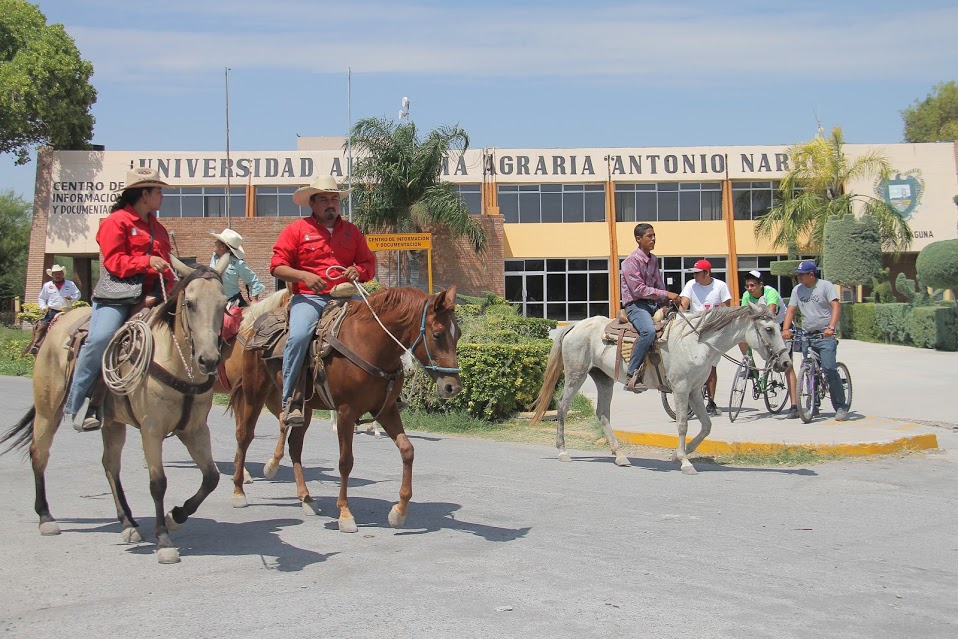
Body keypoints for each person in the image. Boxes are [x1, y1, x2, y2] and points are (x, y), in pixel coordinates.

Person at [63, 168, 174, 432]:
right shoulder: (116, 221)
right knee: (101, 338)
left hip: (154, 294)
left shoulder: (158, 228)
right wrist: (147, 261)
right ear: (144, 194)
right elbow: (113, 262)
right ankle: (80, 402)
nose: (162, 196)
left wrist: (174, 284)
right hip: (118, 295)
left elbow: (166, 265)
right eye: (158, 191)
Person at [270, 175, 376, 426]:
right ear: (312, 203)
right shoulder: (296, 230)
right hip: (310, 299)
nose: (331, 204)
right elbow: (276, 267)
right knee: (298, 336)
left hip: (346, 298)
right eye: (325, 199)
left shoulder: (351, 232)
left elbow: (368, 264)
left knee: (379, 329)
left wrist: (357, 272)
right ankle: (291, 400)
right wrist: (304, 276)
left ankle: (384, 396)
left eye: (335, 199)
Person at [782, 260, 848, 422]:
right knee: (809, 369)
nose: (798, 278)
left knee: (829, 369)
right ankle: (813, 404)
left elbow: (836, 307)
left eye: (801, 275)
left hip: (825, 336)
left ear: (811, 274)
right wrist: (785, 329)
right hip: (807, 335)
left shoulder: (825, 286)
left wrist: (831, 328)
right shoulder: (797, 290)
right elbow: (791, 310)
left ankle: (840, 406)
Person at [619, 223, 680, 393]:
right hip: (636, 305)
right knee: (649, 331)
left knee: (678, 327)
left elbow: (659, 284)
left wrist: (666, 303)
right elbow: (638, 289)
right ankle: (632, 373)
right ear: (638, 239)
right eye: (649, 236)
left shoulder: (653, 260)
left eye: (654, 236)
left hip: (652, 305)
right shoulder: (631, 262)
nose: (653, 239)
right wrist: (667, 294)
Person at [738, 269, 797, 417]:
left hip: (780, 328)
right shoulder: (747, 296)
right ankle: (750, 364)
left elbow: (769, 314)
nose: (750, 289)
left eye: (752, 285)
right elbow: (745, 316)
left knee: (787, 365)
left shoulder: (770, 293)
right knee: (741, 338)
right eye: (747, 286)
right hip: (762, 328)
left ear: (761, 285)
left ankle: (795, 405)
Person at [679, 259, 732, 416]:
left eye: (697, 273)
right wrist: (679, 318)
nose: (694, 276)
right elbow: (684, 304)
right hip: (695, 328)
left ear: (707, 273)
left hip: (714, 331)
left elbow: (726, 309)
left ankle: (711, 401)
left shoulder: (720, 286)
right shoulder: (691, 285)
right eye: (693, 273)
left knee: (711, 366)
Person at [25, 264, 81, 355]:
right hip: (53, 310)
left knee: (79, 325)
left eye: (59, 273)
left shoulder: (70, 284)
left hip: (68, 310)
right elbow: (42, 298)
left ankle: (79, 344)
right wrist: (43, 307)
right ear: (52, 275)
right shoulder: (48, 285)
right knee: (43, 324)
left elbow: (78, 294)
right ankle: (36, 345)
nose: (57, 276)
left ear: (63, 274)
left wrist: (72, 297)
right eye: (55, 274)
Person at [210, 228, 265, 306]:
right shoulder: (214, 258)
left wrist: (254, 300)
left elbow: (253, 281)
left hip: (232, 303)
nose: (215, 242)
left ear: (222, 247)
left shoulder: (238, 264)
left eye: (217, 241)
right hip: (215, 303)